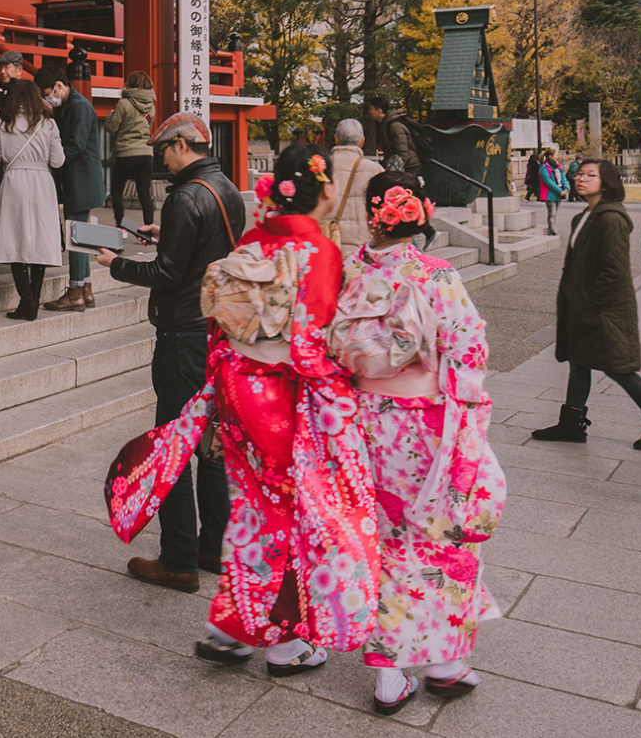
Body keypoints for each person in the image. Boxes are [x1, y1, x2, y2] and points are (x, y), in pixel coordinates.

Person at [107, 144, 377, 677]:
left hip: (238, 390)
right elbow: (311, 344)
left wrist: (229, 376)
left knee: (254, 511)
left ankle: (230, 631)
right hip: (284, 398)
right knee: (290, 518)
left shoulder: (255, 241)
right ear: (320, 189)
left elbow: (220, 323)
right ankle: (281, 642)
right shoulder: (318, 251)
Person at [331, 173, 507, 712]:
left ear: (372, 213)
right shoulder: (434, 273)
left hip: (363, 421)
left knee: (379, 539)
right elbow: (468, 349)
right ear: (421, 211)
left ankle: (405, 671)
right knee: (437, 540)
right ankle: (433, 665)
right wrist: (468, 422)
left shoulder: (350, 269)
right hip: (426, 424)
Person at [89, 112, 244, 590]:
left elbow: (167, 274)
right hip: (215, 330)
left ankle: (178, 558)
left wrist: (116, 264)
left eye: (164, 150)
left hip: (182, 334)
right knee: (211, 442)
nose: (162, 160)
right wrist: (166, 235)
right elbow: (205, 250)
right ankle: (214, 546)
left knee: (174, 444)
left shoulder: (184, 196)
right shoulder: (227, 189)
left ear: (181, 145)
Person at [531, 158, 641, 450]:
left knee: (617, 367)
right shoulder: (584, 216)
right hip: (583, 306)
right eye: (580, 174)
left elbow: (614, 272)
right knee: (579, 361)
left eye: (591, 175)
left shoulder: (611, 219)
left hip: (604, 310)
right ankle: (571, 423)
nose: (581, 179)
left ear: (607, 182)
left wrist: (591, 306)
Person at [0, 78, 68, 319]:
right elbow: (58, 161)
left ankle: (27, 300)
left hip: (14, 183)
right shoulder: (48, 124)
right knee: (39, 242)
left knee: (13, 241)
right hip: (42, 183)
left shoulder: (3, 124)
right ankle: (32, 300)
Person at [41, 62, 106, 311]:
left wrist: (52, 161)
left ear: (59, 86)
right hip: (79, 179)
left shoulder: (79, 106)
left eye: (48, 93)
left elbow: (75, 145)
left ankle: (75, 292)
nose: (48, 98)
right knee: (80, 235)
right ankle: (86, 290)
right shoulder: (70, 105)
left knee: (75, 237)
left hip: (81, 180)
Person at [105, 71, 157, 226]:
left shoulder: (124, 103)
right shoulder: (151, 106)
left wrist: (110, 116)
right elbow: (147, 126)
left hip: (126, 153)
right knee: (144, 193)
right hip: (146, 153)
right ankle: (149, 228)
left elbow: (112, 127)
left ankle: (121, 226)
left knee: (117, 191)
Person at [326, 119, 378, 256]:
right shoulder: (375, 170)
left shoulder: (320, 167)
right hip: (361, 246)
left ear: (336, 139)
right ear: (362, 141)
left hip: (327, 242)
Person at [366, 95, 419, 175]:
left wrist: (394, 171)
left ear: (379, 110)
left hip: (409, 167)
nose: (369, 112)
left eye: (371, 109)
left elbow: (402, 152)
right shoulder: (384, 125)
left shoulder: (394, 126)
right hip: (402, 166)